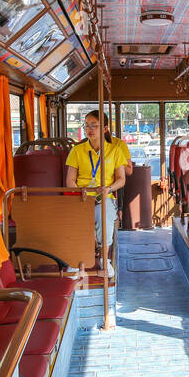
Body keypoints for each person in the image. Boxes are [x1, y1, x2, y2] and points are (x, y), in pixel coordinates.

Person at [65, 109, 129, 271]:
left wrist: (109, 189)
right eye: (86, 126)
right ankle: (75, 259)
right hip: (81, 196)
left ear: (105, 128)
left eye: (94, 125)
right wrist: (82, 194)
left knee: (103, 215)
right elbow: (70, 180)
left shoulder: (115, 150)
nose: (89, 129)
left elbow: (121, 179)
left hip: (104, 196)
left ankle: (104, 259)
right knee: (73, 219)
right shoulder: (77, 150)